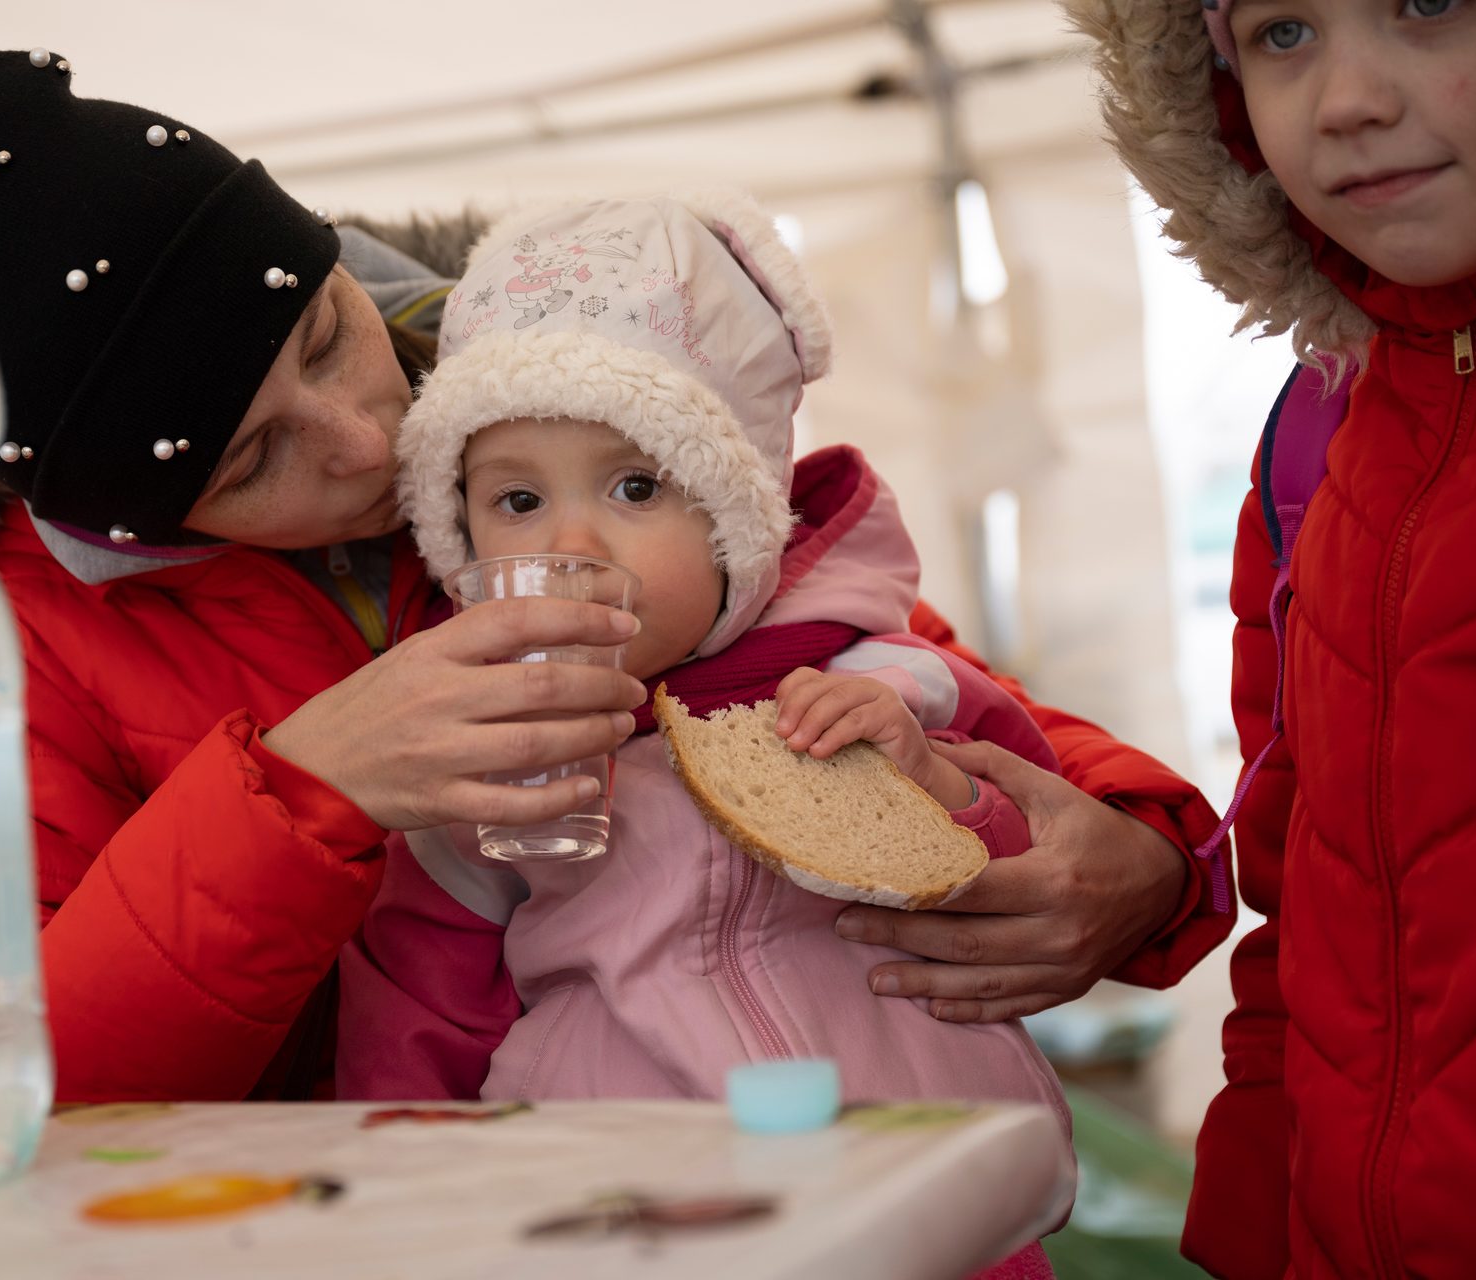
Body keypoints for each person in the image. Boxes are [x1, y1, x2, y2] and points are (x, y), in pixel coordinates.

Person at [0, 48, 1226, 1105]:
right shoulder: (13, 643)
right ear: (136, 526)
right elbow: (24, 1083)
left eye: (326, 332)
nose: (367, 434)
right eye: (250, 463)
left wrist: (1143, 855)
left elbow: (845, 648)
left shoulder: (543, 402)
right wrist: (301, 794)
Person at [341, 191, 1067, 1279]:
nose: (573, 541)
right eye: (518, 499)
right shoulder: (479, 762)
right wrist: (394, 1200)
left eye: (636, 485)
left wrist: (932, 783)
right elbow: (414, 1003)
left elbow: (1032, 877)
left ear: (739, 519)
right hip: (625, 1206)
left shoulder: (883, 678)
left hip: (917, 1187)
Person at [1072, 1, 1476, 1275]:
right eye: (1280, 32)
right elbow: (1299, 918)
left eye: (1429, 3)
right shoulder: (1321, 449)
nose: (1346, 100)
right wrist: (1250, 1231)